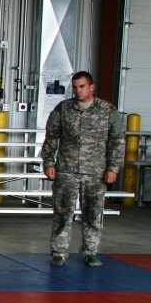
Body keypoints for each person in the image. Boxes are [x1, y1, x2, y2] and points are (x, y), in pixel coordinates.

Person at [40, 71, 126, 267]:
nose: (78, 91)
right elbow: (51, 137)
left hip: (95, 171)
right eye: (75, 87)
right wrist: (48, 162)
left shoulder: (107, 110)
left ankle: (90, 250)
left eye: (82, 87)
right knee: (63, 212)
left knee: (93, 213)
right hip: (67, 169)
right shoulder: (64, 109)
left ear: (91, 87)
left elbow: (117, 141)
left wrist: (113, 167)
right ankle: (59, 251)